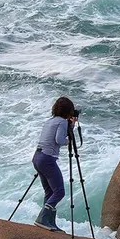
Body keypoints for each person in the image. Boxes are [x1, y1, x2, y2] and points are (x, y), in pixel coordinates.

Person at [32, 96, 77, 231]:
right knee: (59, 191)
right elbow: (59, 140)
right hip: (47, 158)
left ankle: (48, 222)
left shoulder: (49, 121)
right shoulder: (62, 122)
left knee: (49, 191)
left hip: (37, 157)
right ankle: (43, 218)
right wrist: (70, 137)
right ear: (69, 111)